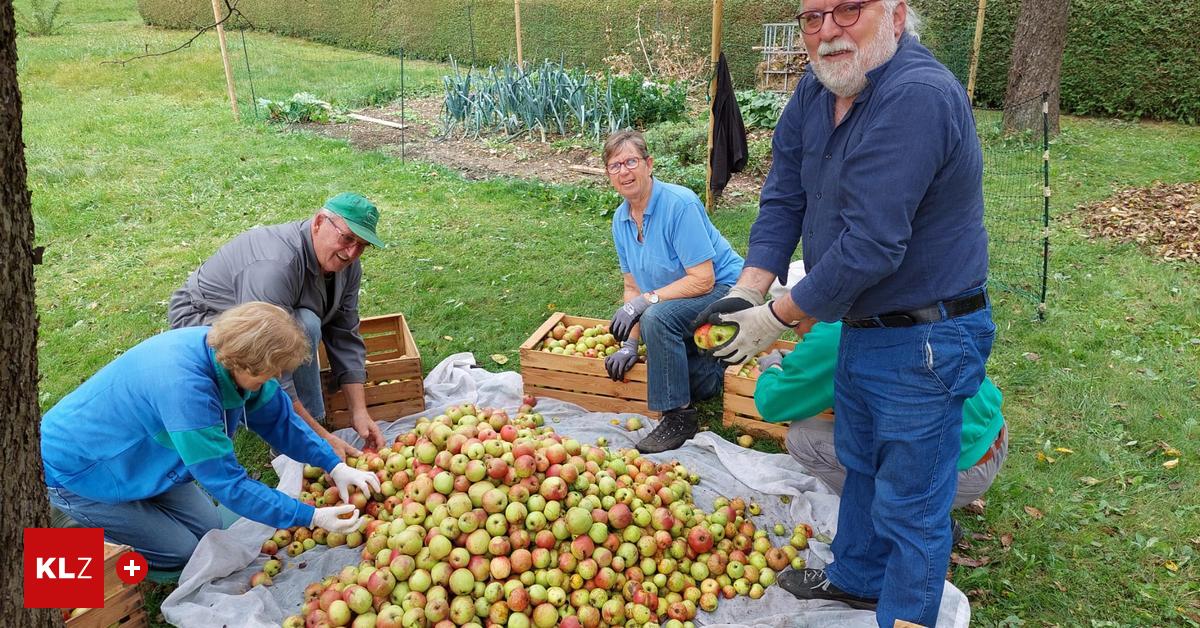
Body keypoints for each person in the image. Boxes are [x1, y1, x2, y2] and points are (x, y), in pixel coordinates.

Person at [693, 0, 995, 624]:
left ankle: (906, 613)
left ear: (896, 14)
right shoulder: (814, 92)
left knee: (911, 502)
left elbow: (872, 243)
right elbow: (783, 197)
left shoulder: (916, 96)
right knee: (860, 465)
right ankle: (857, 578)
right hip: (860, 325)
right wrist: (751, 288)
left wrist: (778, 316)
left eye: (849, 10)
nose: (827, 30)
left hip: (927, 336)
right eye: (812, 17)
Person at [41, 302, 380, 570]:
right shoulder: (187, 391)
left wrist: (333, 465)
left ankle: (138, 503)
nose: (275, 377)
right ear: (244, 366)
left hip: (141, 458)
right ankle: (66, 526)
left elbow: (280, 422)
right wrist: (310, 515)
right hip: (80, 469)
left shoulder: (230, 356)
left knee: (210, 530)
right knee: (183, 552)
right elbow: (227, 483)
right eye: (269, 373)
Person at [168, 192, 386, 459]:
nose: (352, 252)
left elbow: (345, 332)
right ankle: (290, 437)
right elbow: (267, 361)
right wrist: (319, 437)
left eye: (362, 245)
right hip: (203, 319)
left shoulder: (347, 265)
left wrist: (359, 411)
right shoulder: (274, 267)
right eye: (347, 238)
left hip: (267, 318)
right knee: (300, 328)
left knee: (304, 324)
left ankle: (305, 425)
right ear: (319, 222)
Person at [753, 322, 1008, 527]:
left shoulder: (834, 335)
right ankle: (923, 508)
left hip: (956, 474)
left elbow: (772, 404)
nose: (796, 333)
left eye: (794, 322)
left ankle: (904, 518)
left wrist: (772, 368)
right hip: (991, 437)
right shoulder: (886, 306)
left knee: (801, 437)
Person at [601, 130, 745, 454]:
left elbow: (703, 279)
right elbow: (631, 286)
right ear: (608, 175)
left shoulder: (680, 205)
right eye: (614, 166)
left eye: (631, 161)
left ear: (649, 164)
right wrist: (630, 345)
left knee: (658, 318)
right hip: (687, 297)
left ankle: (679, 417)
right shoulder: (620, 220)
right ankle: (716, 365)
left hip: (728, 290)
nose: (624, 171)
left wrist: (646, 302)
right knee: (679, 372)